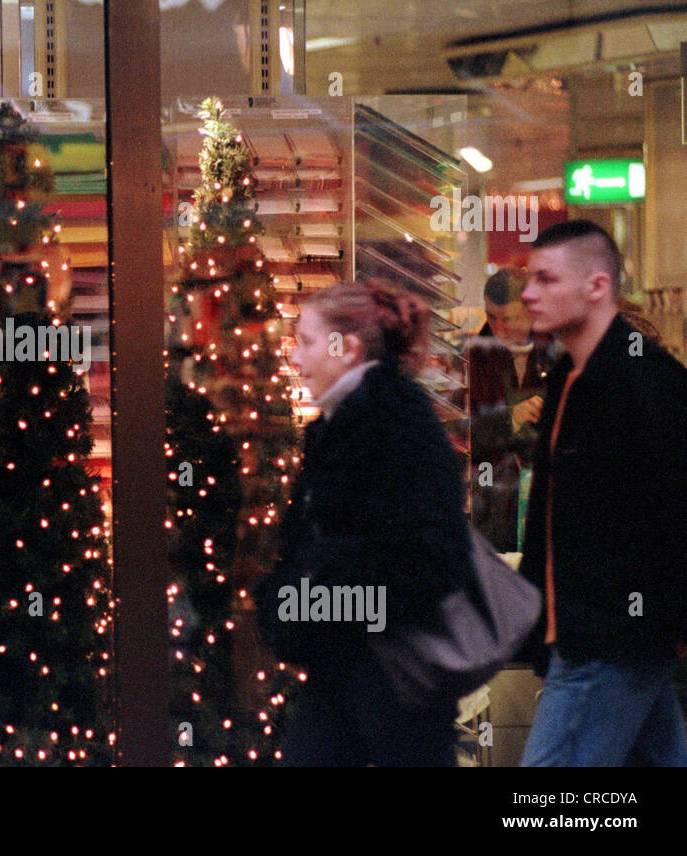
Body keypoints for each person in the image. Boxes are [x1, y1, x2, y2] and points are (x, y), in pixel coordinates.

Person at [257, 280, 475, 766]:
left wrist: (315, 597)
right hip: (358, 669)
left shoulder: (388, 425)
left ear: (347, 348)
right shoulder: (347, 423)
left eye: (307, 342)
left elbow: (427, 555)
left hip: (394, 675)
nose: (296, 359)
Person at [517, 219, 687, 767]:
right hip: (599, 635)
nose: (528, 293)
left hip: (610, 640)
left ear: (596, 285)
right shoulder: (569, 377)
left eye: (546, 279)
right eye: (528, 278)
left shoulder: (648, 384)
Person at [466, 266, 553, 552]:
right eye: (491, 317)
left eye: (509, 318)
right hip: (492, 502)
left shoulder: (558, 351)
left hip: (547, 496)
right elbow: (463, 434)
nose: (498, 329)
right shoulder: (473, 357)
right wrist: (511, 418)